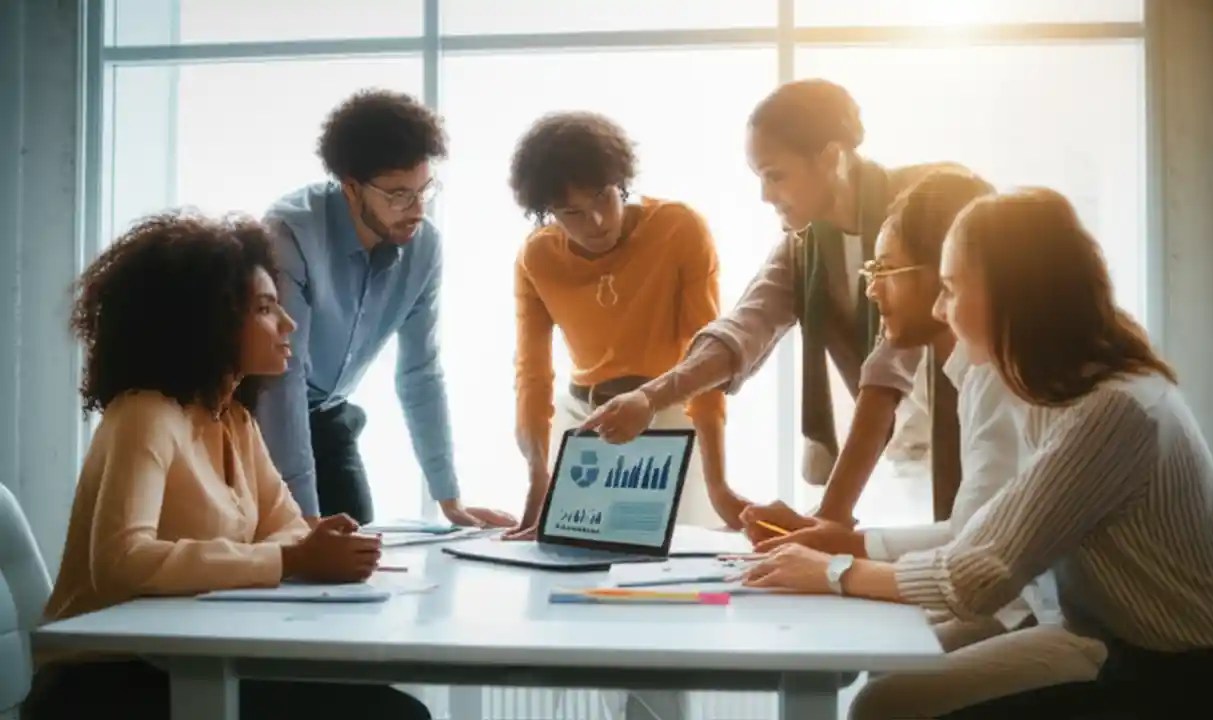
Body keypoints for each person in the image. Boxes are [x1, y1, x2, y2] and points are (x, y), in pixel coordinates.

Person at [742, 188, 1213, 718]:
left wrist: (834, 569)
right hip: (1121, 645)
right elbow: (983, 538)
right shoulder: (1061, 390)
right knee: (886, 695)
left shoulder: (1112, 410)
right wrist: (841, 554)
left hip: (1206, 678)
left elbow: (975, 577)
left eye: (950, 288)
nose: (938, 306)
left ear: (1012, 293)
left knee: (885, 706)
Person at [24, 212, 431, 720]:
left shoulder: (234, 419)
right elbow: (121, 562)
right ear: (208, 321)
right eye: (265, 309)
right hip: (102, 682)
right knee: (390, 715)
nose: (289, 323)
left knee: (384, 705)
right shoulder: (144, 413)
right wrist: (294, 560)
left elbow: (283, 528)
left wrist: (314, 541)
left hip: (187, 660)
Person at [582, 79, 967, 540]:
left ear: (829, 157)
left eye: (775, 174)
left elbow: (886, 371)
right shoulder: (802, 247)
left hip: (972, 430)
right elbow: (743, 327)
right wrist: (649, 397)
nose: (765, 195)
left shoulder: (918, 210)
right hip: (901, 452)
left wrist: (830, 520)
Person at [257, 89, 514, 528]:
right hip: (263, 412)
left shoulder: (424, 246)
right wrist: (305, 520)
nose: (416, 210)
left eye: (423, 190)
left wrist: (449, 500)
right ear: (351, 188)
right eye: (398, 195)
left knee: (361, 548)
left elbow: (421, 371)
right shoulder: (290, 233)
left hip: (330, 415)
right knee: (294, 555)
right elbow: (284, 375)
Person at [504, 111, 730, 538]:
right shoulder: (537, 257)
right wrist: (538, 472)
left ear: (621, 182)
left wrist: (717, 483)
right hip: (585, 420)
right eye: (572, 212)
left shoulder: (678, 228)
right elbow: (532, 375)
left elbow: (709, 355)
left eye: (603, 198)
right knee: (571, 558)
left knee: (678, 562)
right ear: (546, 211)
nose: (597, 223)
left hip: (669, 413)